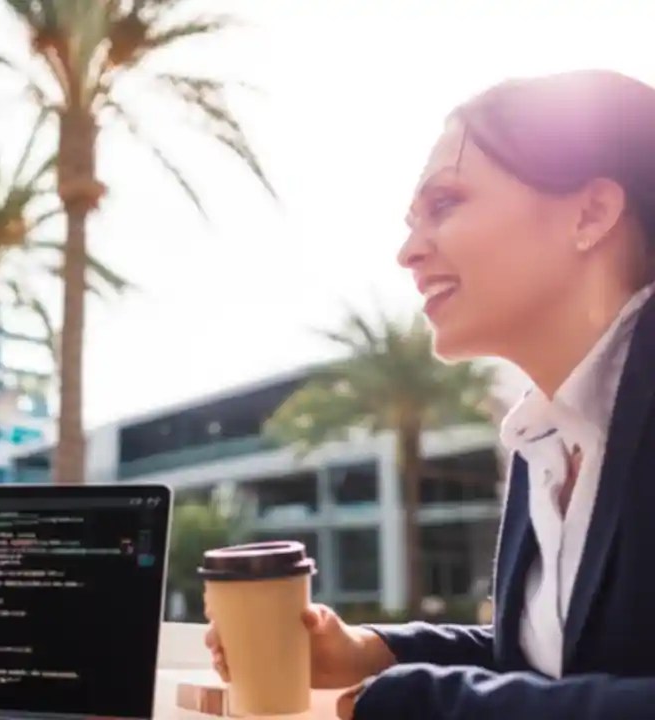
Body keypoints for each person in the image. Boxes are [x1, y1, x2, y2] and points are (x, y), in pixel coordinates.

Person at [206, 69, 655, 720]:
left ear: (588, 214)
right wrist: (372, 652)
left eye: (445, 204)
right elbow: (552, 663)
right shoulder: (547, 436)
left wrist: (420, 704)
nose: (408, 253)